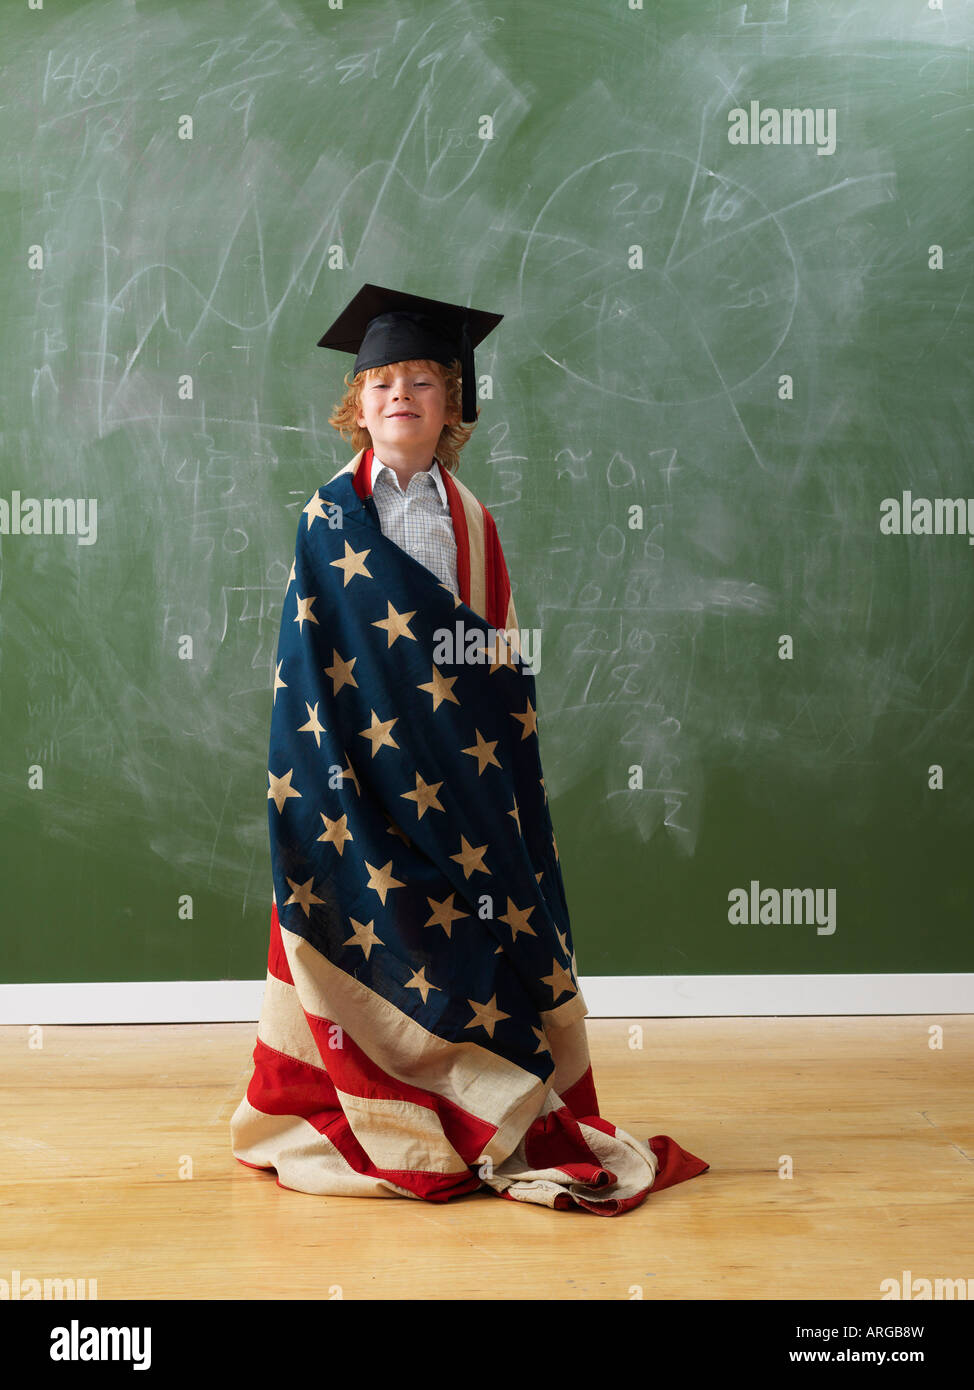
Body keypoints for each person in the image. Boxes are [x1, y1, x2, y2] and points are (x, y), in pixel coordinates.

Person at [229, 283, 708, 1214]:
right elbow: (311, 662)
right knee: (392, 930)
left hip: (461, 779)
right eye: (380, 383)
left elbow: (495, 660)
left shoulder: (474, 522)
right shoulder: (330, 521)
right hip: (363, 779)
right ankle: (383, 1101)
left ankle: (479, 1099)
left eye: (420, 381)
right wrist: (337, 778)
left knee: (473, 943)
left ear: (453, 404)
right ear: (356, 407)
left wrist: (498, 766)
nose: (399, 394)